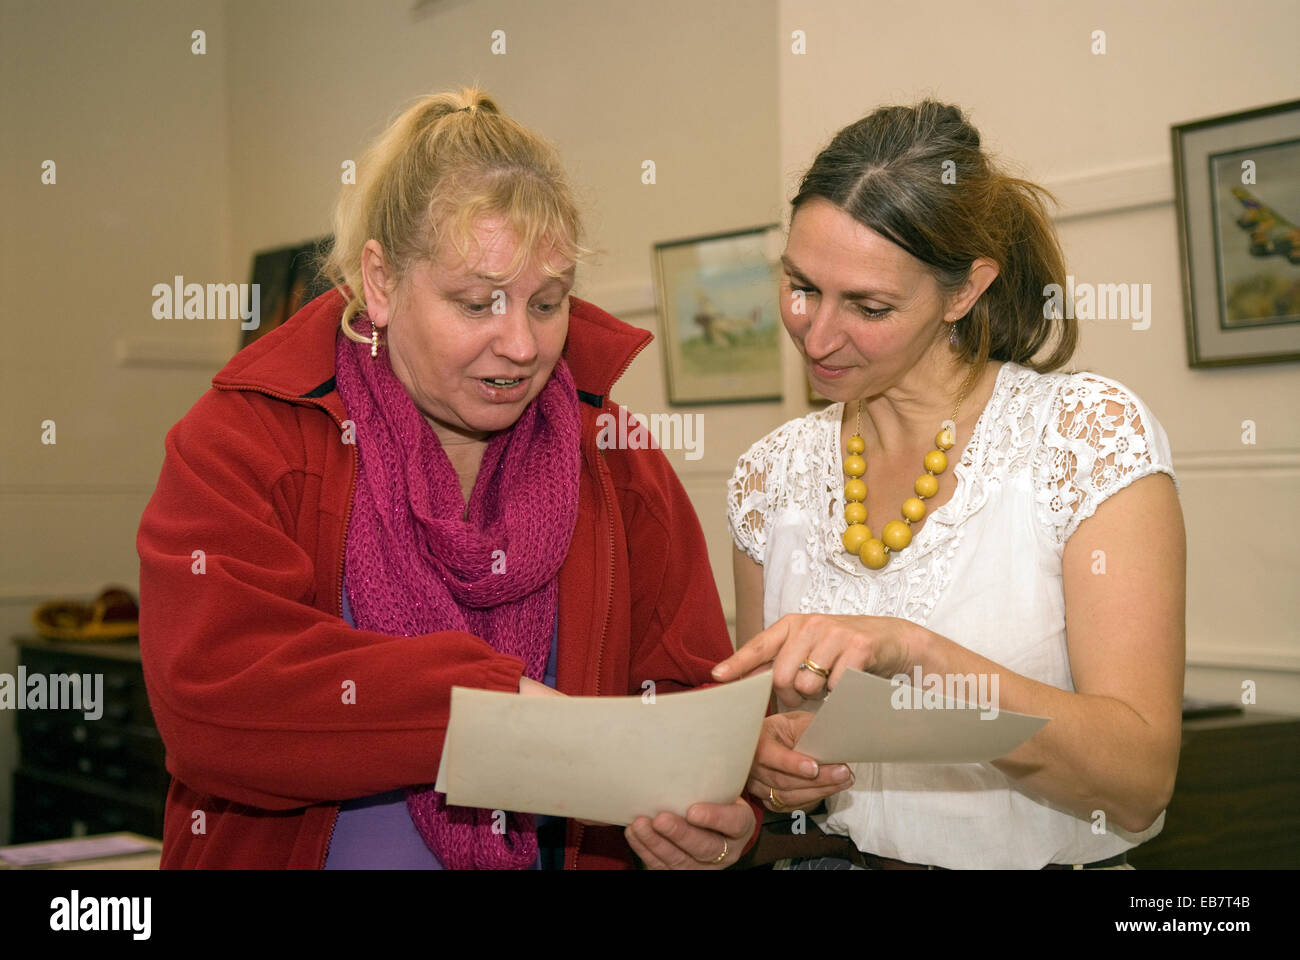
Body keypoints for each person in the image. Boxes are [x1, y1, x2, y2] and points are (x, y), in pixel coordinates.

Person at [136, 87, 761, 869]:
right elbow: (214, 699)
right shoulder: (245, 441)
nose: (522, 344)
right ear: (382, 283)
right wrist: (484, 710)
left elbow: (688, 711)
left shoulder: (618, 461)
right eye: (477, 303)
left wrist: (722, 814)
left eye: (547, 303)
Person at [714, 101, 1186, 870]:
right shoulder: (772, 477)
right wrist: (769, 765)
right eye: (801, 286)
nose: (818, 333)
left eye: (869, 306)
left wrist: (915, 654)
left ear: (964, 292)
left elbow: (1136, 783)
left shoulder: (1085, 438)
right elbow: (781, 735)